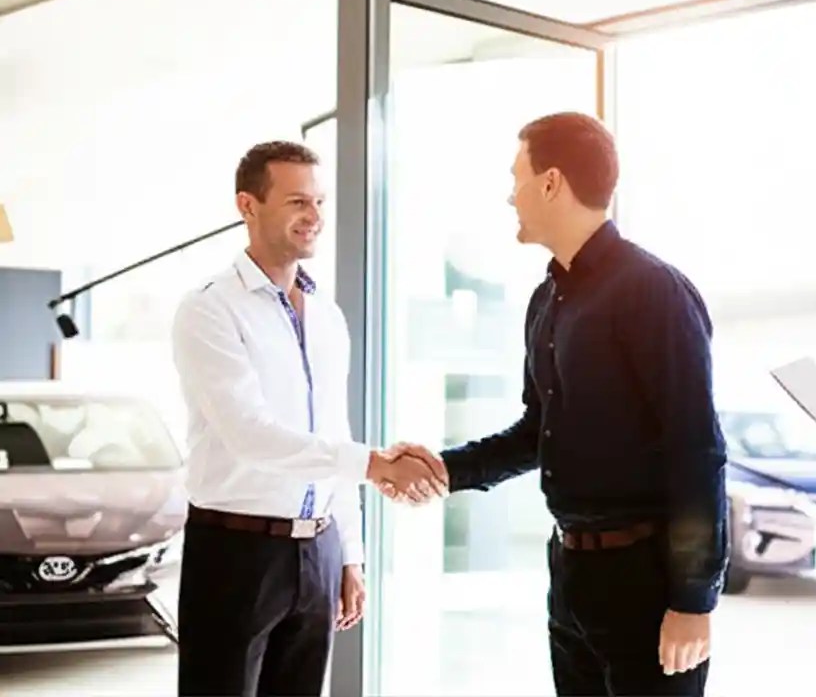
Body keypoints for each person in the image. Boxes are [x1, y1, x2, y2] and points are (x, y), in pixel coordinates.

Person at [388, 112, 727, 696]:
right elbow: (536, 431)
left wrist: (694, 600)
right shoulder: (548, 298)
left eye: (515, 178)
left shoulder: (654, 290)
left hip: (645, 579)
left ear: (550, 183)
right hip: (571, 574)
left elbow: (697, 451)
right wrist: (446, 469)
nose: (509, 196)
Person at [171, 141, 445, 696]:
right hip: (235, 553)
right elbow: (248, 434)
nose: (315, 216)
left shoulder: (327, 316)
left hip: (317, 550)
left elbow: (331, 435)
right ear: (248, 206)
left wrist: (350, 553)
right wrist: (373, 464)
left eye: (319, 201)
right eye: (298, 201)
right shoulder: (209, 308)